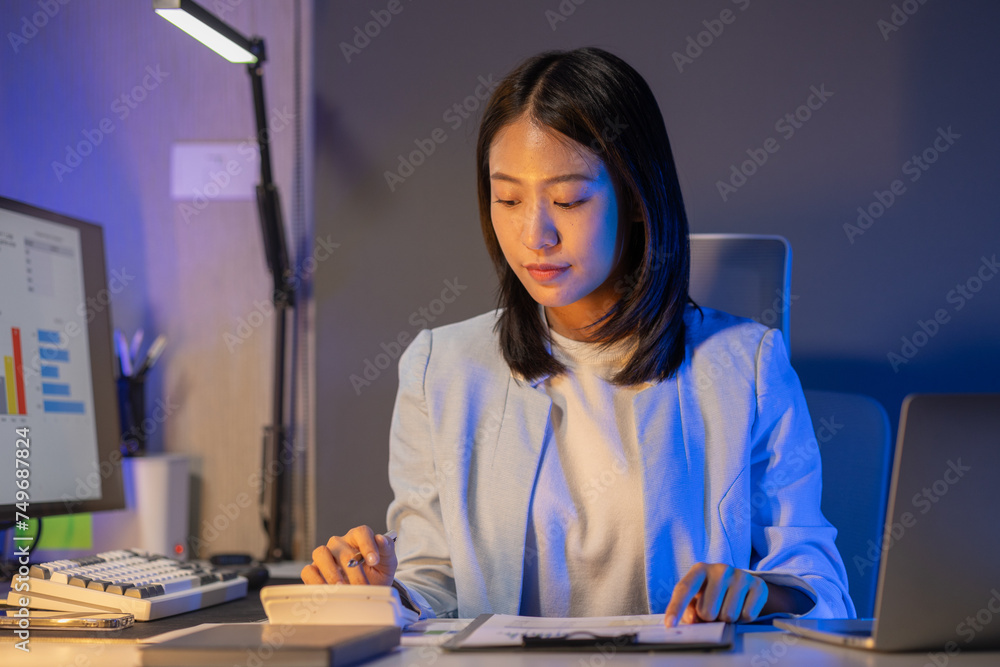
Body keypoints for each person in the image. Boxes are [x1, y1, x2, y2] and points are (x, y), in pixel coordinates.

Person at [302, 47, 856, 626]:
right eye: (508, 198)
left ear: (637, 199)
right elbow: (434, 577)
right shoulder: (439, 368)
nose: (534, 235)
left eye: (567, 200)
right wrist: (382, 592)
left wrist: (760, 593)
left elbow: (820, 584)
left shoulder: (747, 364)